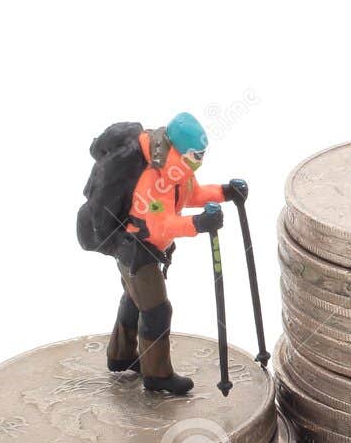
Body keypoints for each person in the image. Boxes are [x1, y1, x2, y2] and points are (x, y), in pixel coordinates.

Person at [77, 112, 244, 395]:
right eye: (195, 154)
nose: (199, 160)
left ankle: (120, 355)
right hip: (137, 253)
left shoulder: (176, 171)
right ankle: (157, 375)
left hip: (141, 252)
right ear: (177, 149)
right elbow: (159, 224)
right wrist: (198, 224)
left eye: (202, 153)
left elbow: (191, 195)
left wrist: (225, 192)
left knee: (134, 301)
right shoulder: (153, 179)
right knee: (156, 310)